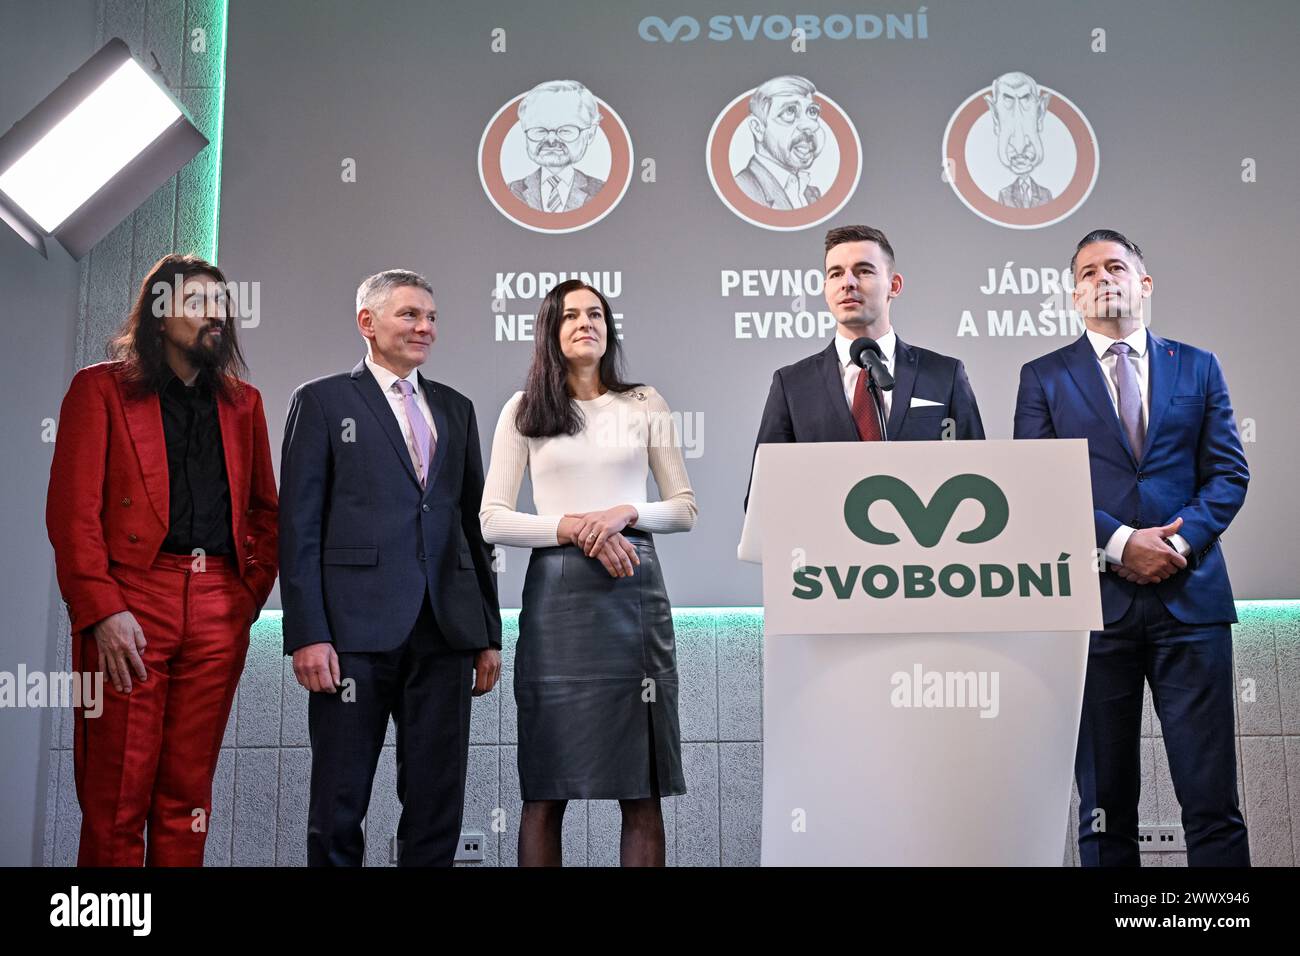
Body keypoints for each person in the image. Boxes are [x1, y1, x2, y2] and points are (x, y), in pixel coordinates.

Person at [1014, 229, 1250, 866]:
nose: (1103, 279)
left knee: (1213, 803)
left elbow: (1229, 474)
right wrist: (1120, 544)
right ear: (1073, 295)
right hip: (1091, 611)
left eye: (1116, 267)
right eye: (1088, 272)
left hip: (1191, 604)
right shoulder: (1043, 377)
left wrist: (1178, 543)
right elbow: (1037, 486)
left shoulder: (1198, 365)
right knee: (1104, 808)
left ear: (1144, 284)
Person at [46, 254, 278, 865]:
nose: (216, 316)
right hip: (130, 601)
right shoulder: (100, 389)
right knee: (117, 798)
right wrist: (101, 609)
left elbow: (264, 512)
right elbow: (72, 515)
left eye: (221, 305)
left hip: (217, 604)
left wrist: (244, 599)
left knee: (187, 797)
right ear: (158, 312)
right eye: (198, 304)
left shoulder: (242, 402)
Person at [279, 269, 501, 867]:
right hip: (350, 636)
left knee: (436, 804)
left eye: (431, 317)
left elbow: (470, 526)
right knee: (338, 801)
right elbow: (297, 526)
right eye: (410, 315)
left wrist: (487, 634)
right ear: (368, 323)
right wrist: (307, 632)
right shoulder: (321, 401)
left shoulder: (456, 408)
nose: (425, 327)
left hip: (447, 633)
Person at [480, 279, 697, 866]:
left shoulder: (644, 401)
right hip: (558, 602)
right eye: (571, 314)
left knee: (641, 791)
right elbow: (492, 520)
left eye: (596, 314)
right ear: (550, 330)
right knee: (546, 792)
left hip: (634, 595)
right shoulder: (522, 408)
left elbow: (684, 508)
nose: (586, 323)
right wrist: (573, 527)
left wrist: (626, 511)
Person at [746, 224, 985, 508]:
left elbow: (978, 481)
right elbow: (764, 497)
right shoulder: (792, 385)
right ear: (825, 289)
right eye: (836, 273)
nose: (848, 282)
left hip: (926, 544)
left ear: (893, 285)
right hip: (824, 548)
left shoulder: (945, 375)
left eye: (864, 271)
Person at [507, 79, 606, 212]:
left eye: (565, 130)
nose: (551, 140)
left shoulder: (601, 191)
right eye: (540, 130)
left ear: (590, 134)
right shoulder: (512, 190)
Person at [734, 75, 827, 209]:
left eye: (812, 111)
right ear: (757, 128)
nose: (812, 125)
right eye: (790, 111)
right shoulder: (743, 189)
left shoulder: (813, 193)